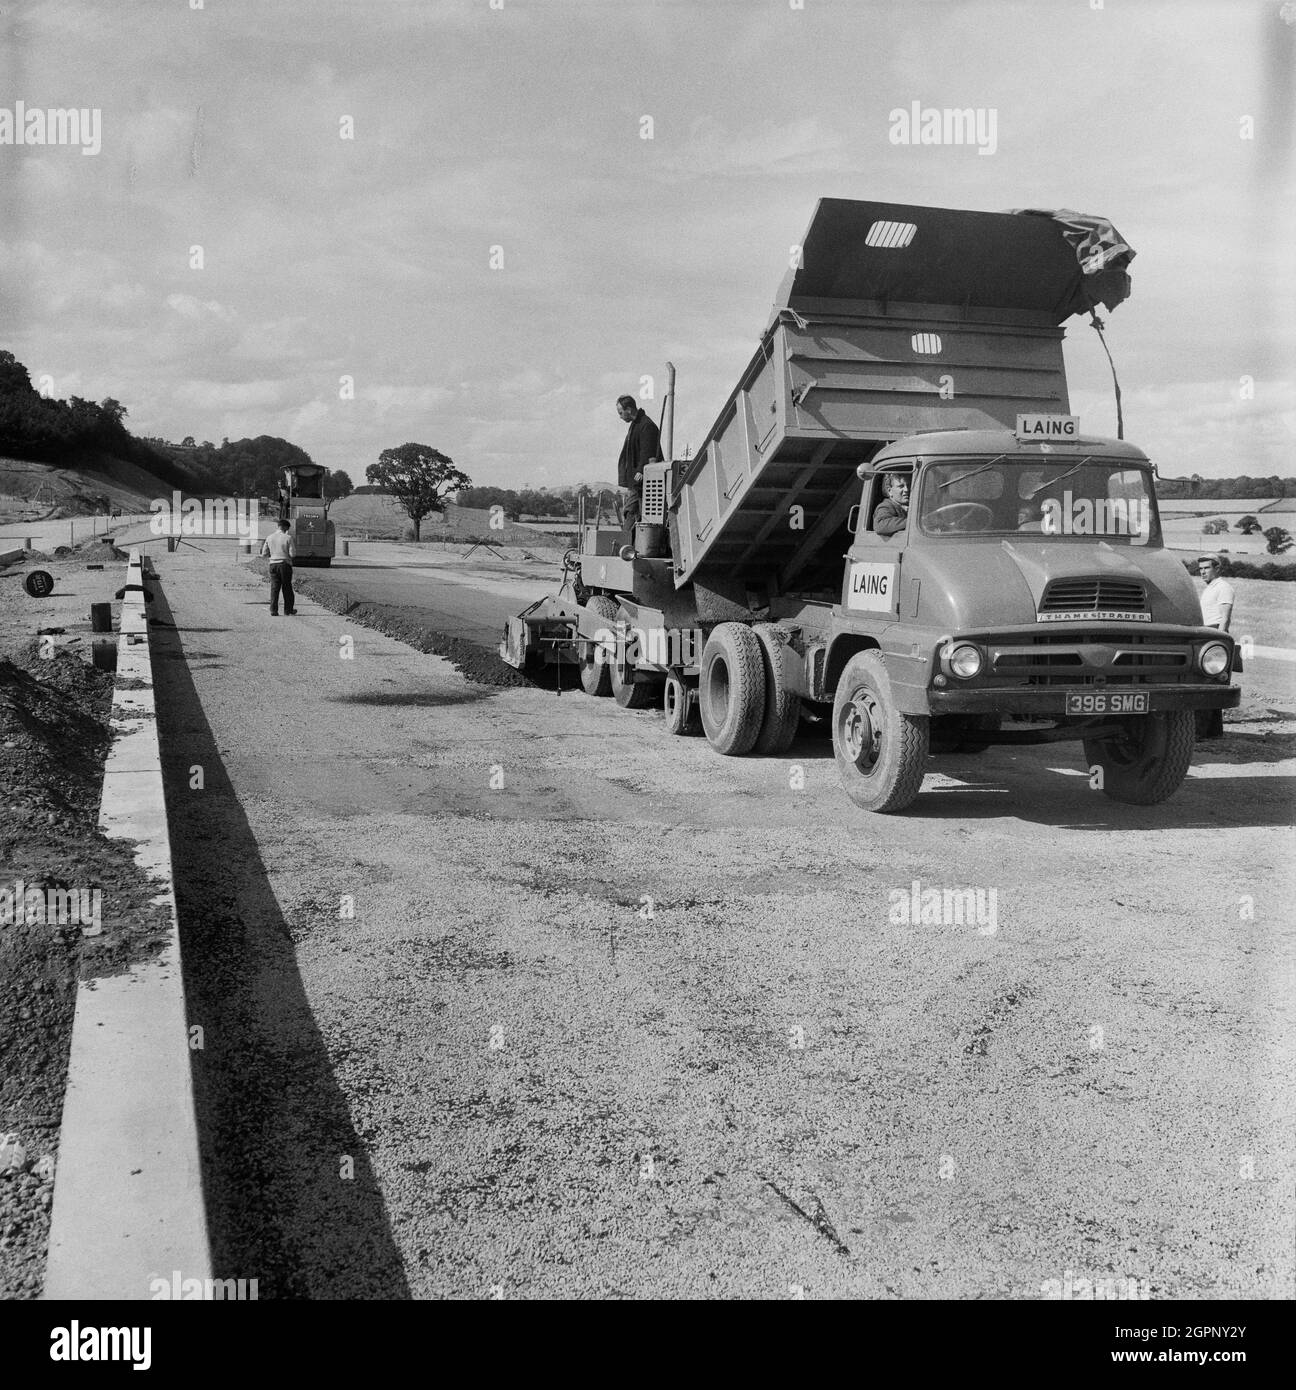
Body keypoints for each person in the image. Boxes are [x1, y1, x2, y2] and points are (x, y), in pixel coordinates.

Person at [1196, 553, 1236, 739]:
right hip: (1205, 632)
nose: (1203, 572)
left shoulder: (1224, 588)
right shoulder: (1209, 588)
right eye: (1201, 569)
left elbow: (1225, 618)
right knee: (1206, 681)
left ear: (1217, 568)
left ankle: (1202, 732)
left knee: (1209, 682)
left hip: (1214, 634)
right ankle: (1212, 731)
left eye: (1207, 568)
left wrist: (1219, 640)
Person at [615, 394, 661, 530]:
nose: (620, 416)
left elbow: (648, 451)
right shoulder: (636, 425)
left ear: (629, 410)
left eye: (621, 413)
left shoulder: (646, 425)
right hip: (636, 480)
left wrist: (641, 470)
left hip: (641, 480)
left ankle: (625, 539)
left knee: (631, 511)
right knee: (633, 512)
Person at [260, 517, 296, 616]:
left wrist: (273, 555)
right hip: (284, 565)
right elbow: (293, 554)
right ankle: (288, 610)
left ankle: (273, 610)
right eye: (287, 528)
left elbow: (264, 554)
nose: (287, 530)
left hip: (273, 565)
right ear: (285, 527)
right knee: (287, 588)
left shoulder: (269, 537)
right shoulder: (288, 538)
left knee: (274, 588)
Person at [873, 473, 910, 538]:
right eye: (901, 486)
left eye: (908, 485)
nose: (906, 490)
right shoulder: (886, 506)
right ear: (889, 491)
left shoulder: (906, 506)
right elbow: (880, 525)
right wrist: (912, 522)